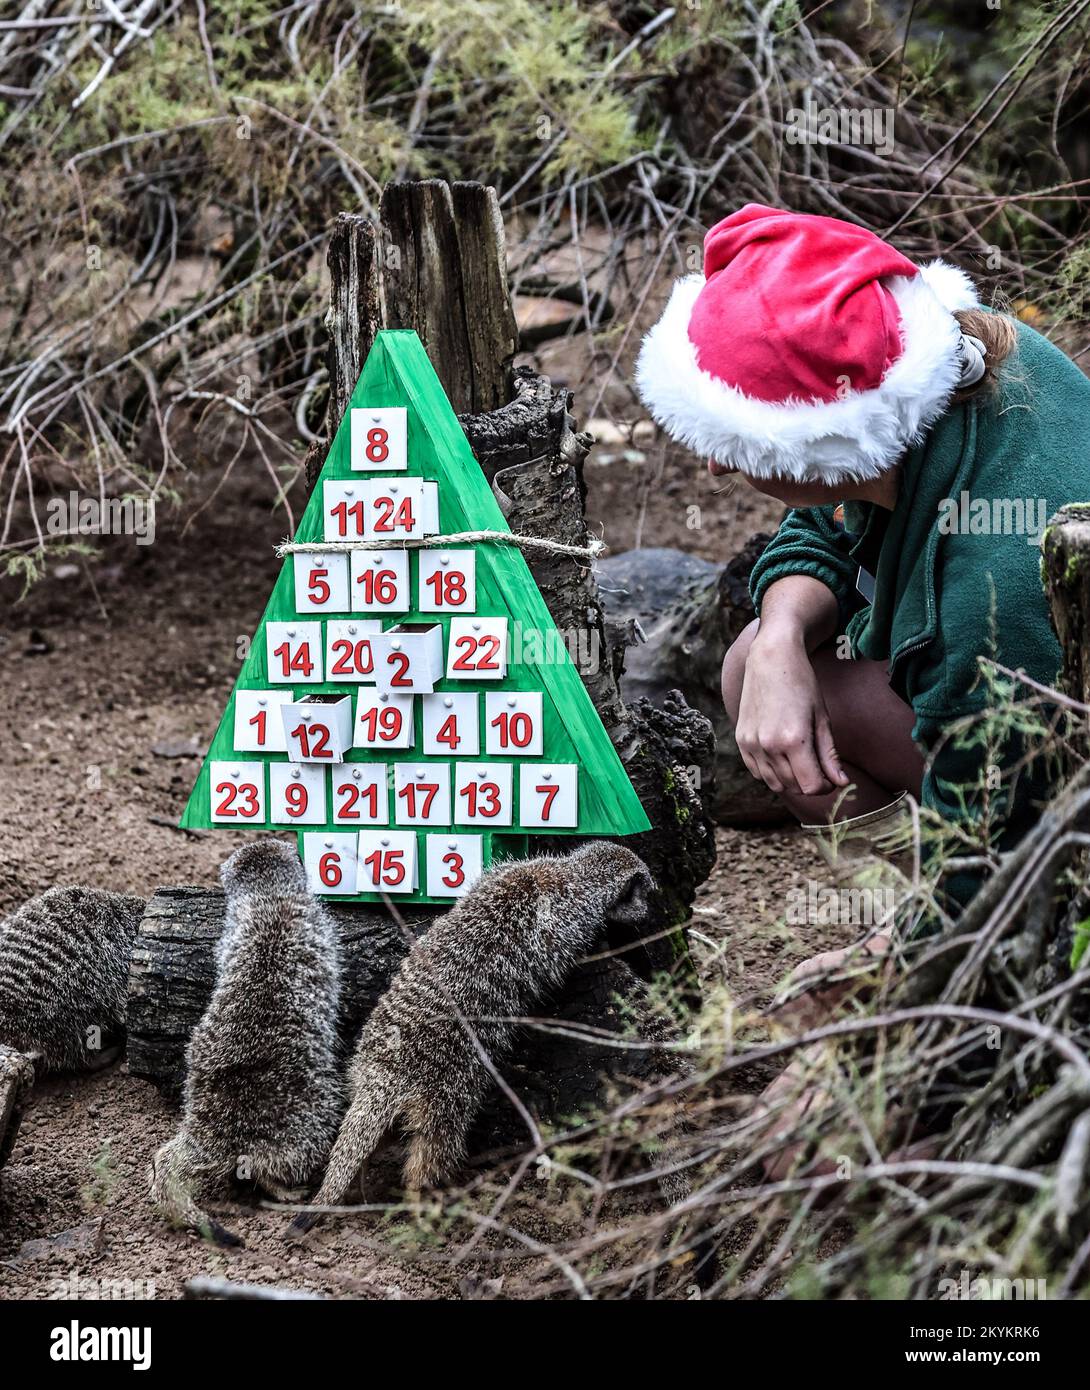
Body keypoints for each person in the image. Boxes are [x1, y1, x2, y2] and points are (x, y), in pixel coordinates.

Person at [637, 203, 1090, 922]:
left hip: (1045, 772)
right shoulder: (945, 375)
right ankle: (912, 906)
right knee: (756, 655)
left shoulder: (985, 596)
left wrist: (927, 974)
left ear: (829, 445)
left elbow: (1001, 822)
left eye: (742, 449)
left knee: (980, 876)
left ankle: (943, 941)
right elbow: (819, 523)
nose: (719, 472)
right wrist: (781, 639)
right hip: (1024, 731)